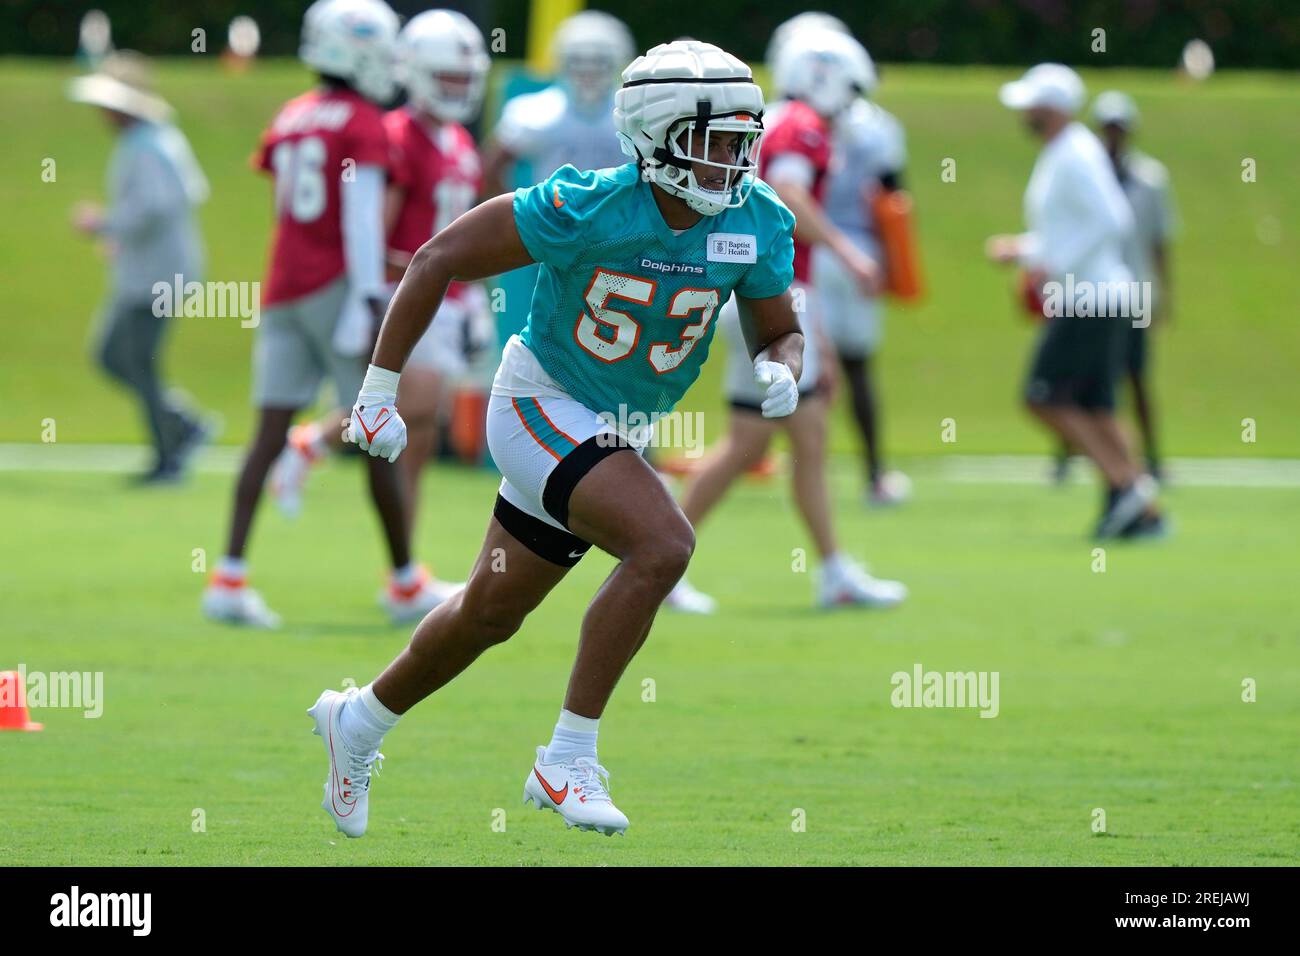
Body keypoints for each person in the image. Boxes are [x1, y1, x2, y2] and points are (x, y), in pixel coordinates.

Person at [307, 40, 802, 838]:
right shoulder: (591, 204)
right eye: (717, 140)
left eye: (745, 139)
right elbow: (438, 257)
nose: (735, 159)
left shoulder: (758, 219)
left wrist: (785, 365)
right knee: (664, 544)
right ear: (660, 136)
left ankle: (357, 720)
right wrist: (377, 390)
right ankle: (567, 757)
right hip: (541, 402)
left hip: (611, 430)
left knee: (488, 614)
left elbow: (778, 328)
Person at [202, 0, 447, 629]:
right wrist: (368, 296)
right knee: (375, 434)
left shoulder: (292, 114)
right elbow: (360, 214)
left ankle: (228, 576)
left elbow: (291, 204)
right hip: (336, 285)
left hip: (283, 284)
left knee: (266, 435)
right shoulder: (362, 119)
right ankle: (402, 582)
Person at [665, 27, 908, 614]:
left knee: (801, 436)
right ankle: (659, 554)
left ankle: (832, 570)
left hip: (768, 294)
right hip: (771, 297)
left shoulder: (772, 119)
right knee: (754, 443)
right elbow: (791, 194)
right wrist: (850, 254)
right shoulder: (801, 124)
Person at [270, 9, 493, 549]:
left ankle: (405, 568)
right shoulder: (398, 135)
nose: (456, 89)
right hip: (409, 290)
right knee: (408, 399)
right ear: (413, 72)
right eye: (446, 78)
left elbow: (469, 229)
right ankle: (313, 441)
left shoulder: (459, 141)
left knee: (417, 436)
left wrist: (475, 299)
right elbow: (379, 226)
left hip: (453, 298)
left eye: (464, 79)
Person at [986, 64, 1165, 539]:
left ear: (1051, 109)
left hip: (1090, 296)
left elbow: (1112, 220)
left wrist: (1051, 262)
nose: (1023, 112)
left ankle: (1125, 486)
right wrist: (1026, 250)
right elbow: (1067, 230)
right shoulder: (1067, 151)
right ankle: (1139, 504)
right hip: (1095, 293)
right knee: (1095, 405)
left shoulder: (1074, 153)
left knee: (1042, 396)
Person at [68, 51, 213, 484]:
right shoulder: (154, 140)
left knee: (134, 359)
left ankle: (173, 445)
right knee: (118, 356)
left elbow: (157, 206)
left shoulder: (148, 146)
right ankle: (179, 427)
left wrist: (105, 224)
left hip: (158, 277)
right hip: (151, 272)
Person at [1093, 90, 1176, 481]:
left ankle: (1152, 457)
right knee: (1086, 375)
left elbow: (1160, 241)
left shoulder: (1151, 179)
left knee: (1136, 376)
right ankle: (1072, 457)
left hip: (1135, 291)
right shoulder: (1087, 174)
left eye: (1119, 128)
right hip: (1088, 289)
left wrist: (1164, 293)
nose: (1113, 135)